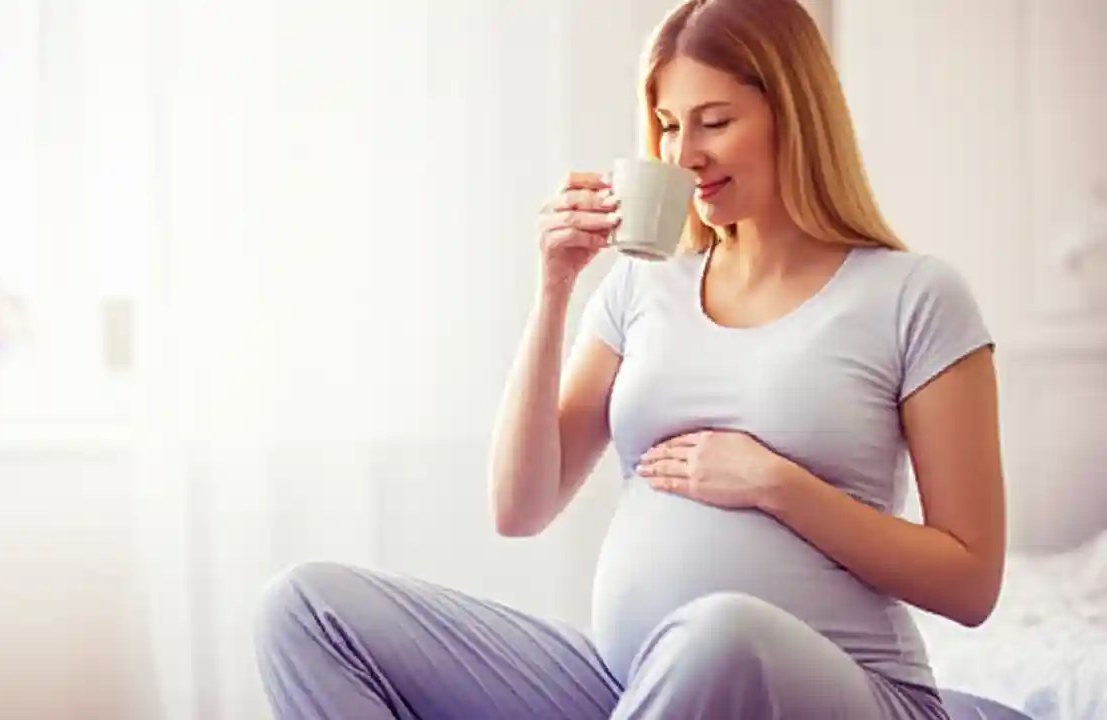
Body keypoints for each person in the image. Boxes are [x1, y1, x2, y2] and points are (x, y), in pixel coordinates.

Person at [253, 0, 1007, 717]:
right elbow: (520, 506)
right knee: (308, 608)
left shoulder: (914, 295)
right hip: (634, 685)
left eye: (714, 122)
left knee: (720, 636)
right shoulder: (641, 288)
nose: (684, 155)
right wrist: (552, 290)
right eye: (668, 125)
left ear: (795, 117)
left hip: (852, 693)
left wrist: (777, 485)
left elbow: (971, 582)